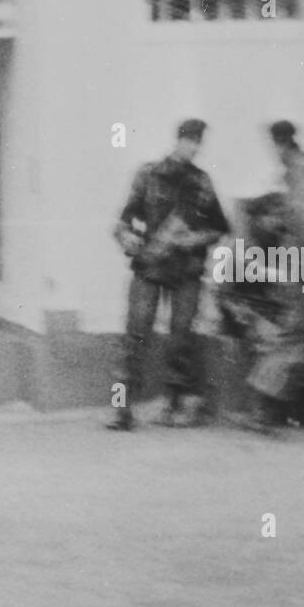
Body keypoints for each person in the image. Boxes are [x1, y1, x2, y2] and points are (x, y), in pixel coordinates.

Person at [110, 118, 230, 431]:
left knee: (181, 338)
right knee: (135, 335)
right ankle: (121, 408)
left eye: (198, 142)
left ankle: (174, 405)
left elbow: (220, 227)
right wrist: (128, 237)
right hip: (150, 266)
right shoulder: (148, 175)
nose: (193, 147)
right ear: (177, 140)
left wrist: (195, 239)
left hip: (187, 271)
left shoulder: (202, 182)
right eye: (189, 140)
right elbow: (124, 220)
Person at [240, 120, 304, 431]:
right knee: (297, 335)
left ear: (280, 144)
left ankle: (264, 407)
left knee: (296, 334)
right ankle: (264, 409)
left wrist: (294, 266)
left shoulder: (300, 170)